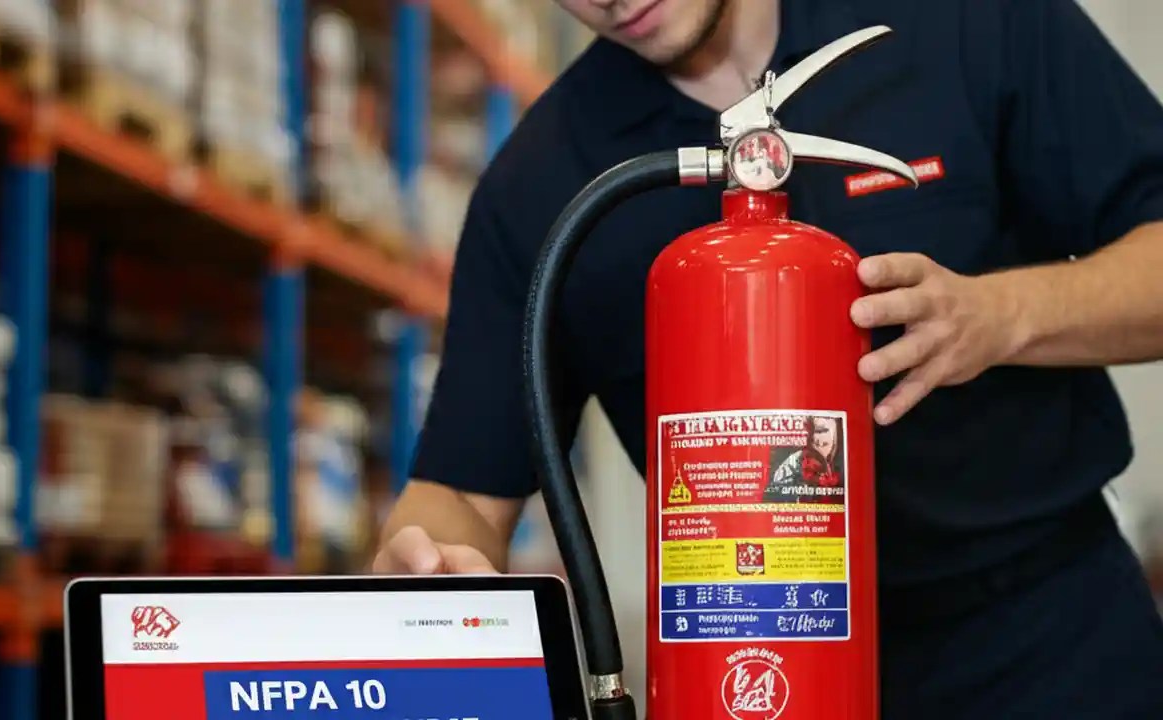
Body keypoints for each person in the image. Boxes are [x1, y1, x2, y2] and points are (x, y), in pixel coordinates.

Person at [373, 0, 1163, 715]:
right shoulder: (540, 183)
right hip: (753, 668)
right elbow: (463, 490)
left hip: (1048, 638)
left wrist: (1003, 315)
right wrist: (425, 568)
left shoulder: (967, 21)